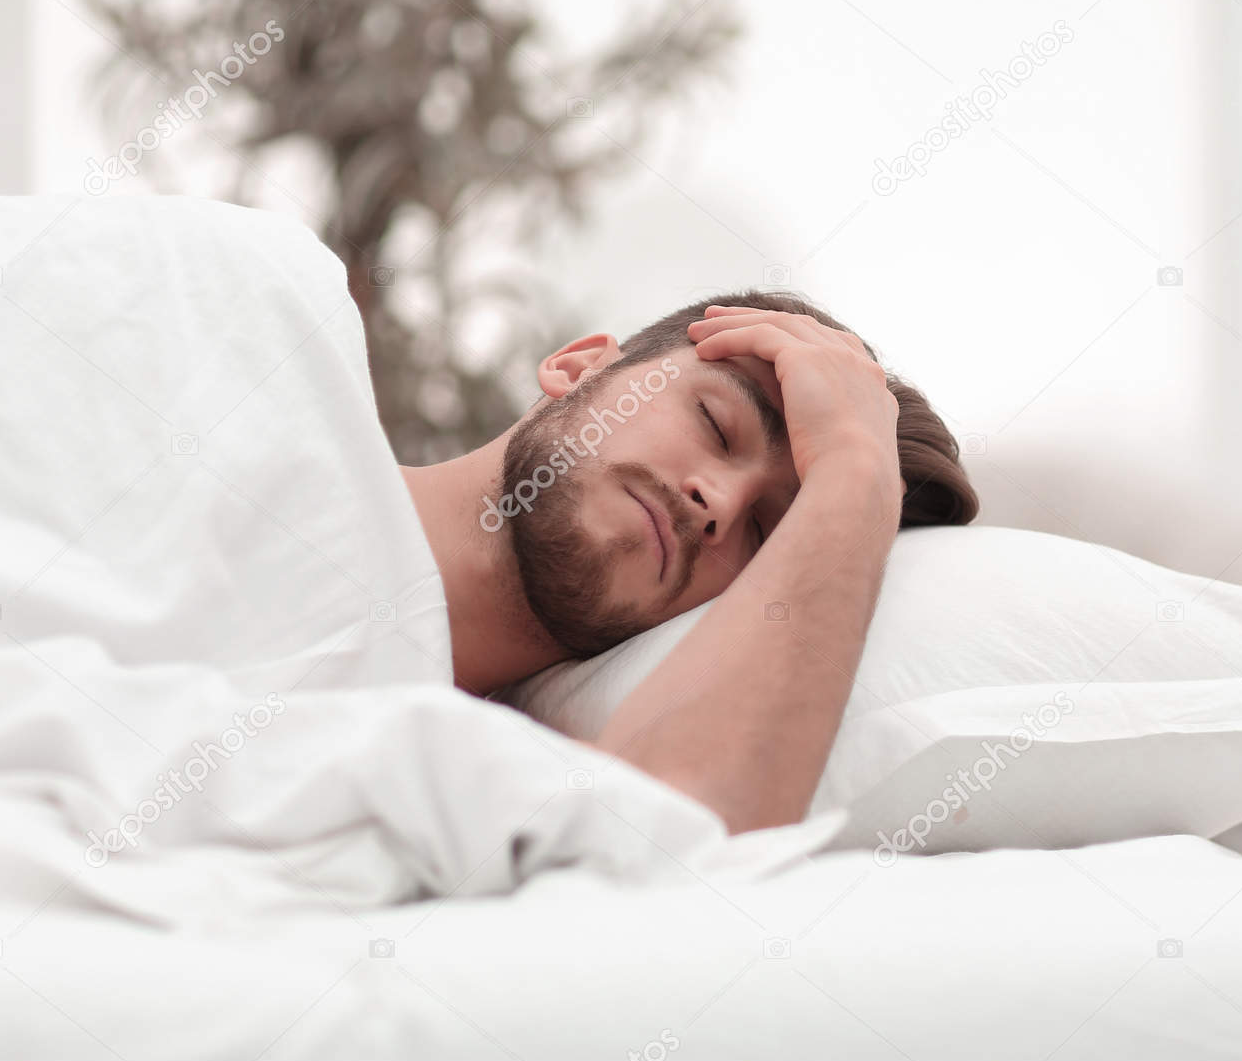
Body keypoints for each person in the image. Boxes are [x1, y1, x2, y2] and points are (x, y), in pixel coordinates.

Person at [402, 290, 977, 835]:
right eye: (716, 424)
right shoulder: (313, 406)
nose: (721, 504)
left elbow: (668, 846)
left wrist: (857, 476)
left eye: (761, 535)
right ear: (579, 367)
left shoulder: (483, 788)